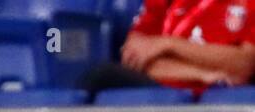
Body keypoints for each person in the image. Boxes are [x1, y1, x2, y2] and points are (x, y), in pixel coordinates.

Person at [84, 0, 255, 93]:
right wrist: (203, 74)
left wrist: (168, 44)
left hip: (219, 101)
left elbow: (244, 65)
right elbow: (133, 58)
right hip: (160, 94)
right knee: (101, 76)